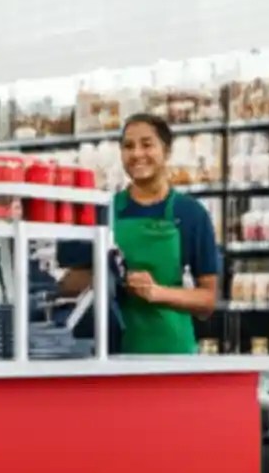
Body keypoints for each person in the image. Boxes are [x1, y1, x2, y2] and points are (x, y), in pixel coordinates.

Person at [59, 113, 220, 354]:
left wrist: (157, 293)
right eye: (128, 146)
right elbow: (66, 285)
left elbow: (207, 301)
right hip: (109, 351)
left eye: (147, 144)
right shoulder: (104, 210)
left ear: (166, 151)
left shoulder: (190, 214)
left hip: (170, 351)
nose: (136, 154)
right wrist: (104, 279)